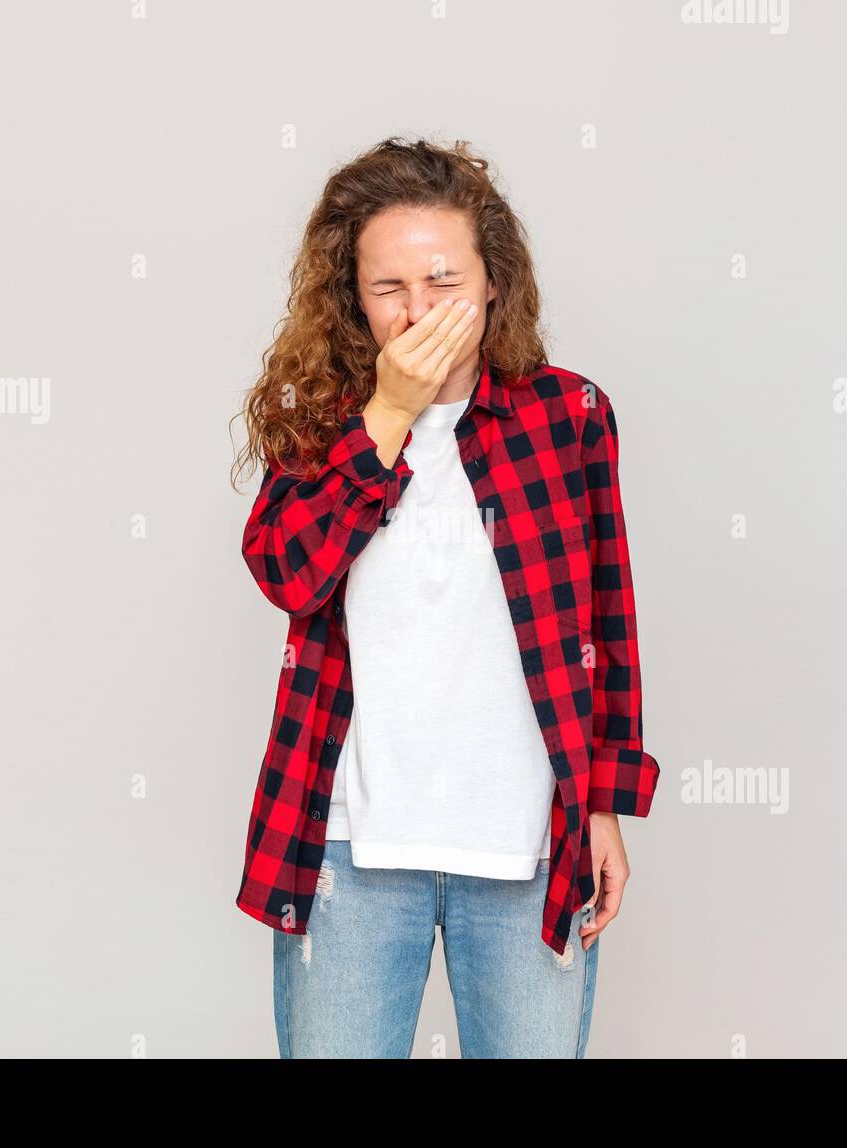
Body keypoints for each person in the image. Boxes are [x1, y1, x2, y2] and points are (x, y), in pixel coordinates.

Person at [229, 136, 661, 1058]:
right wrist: (387, 412)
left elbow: (607, 621)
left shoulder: (568, 416)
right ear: (354, 296)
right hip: (346, 847)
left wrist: (602, 805)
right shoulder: (321, 416)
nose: (417, 312)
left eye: (442, 281)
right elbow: (287, 573)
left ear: (493, 280)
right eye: (389, 290)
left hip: (527, 845)